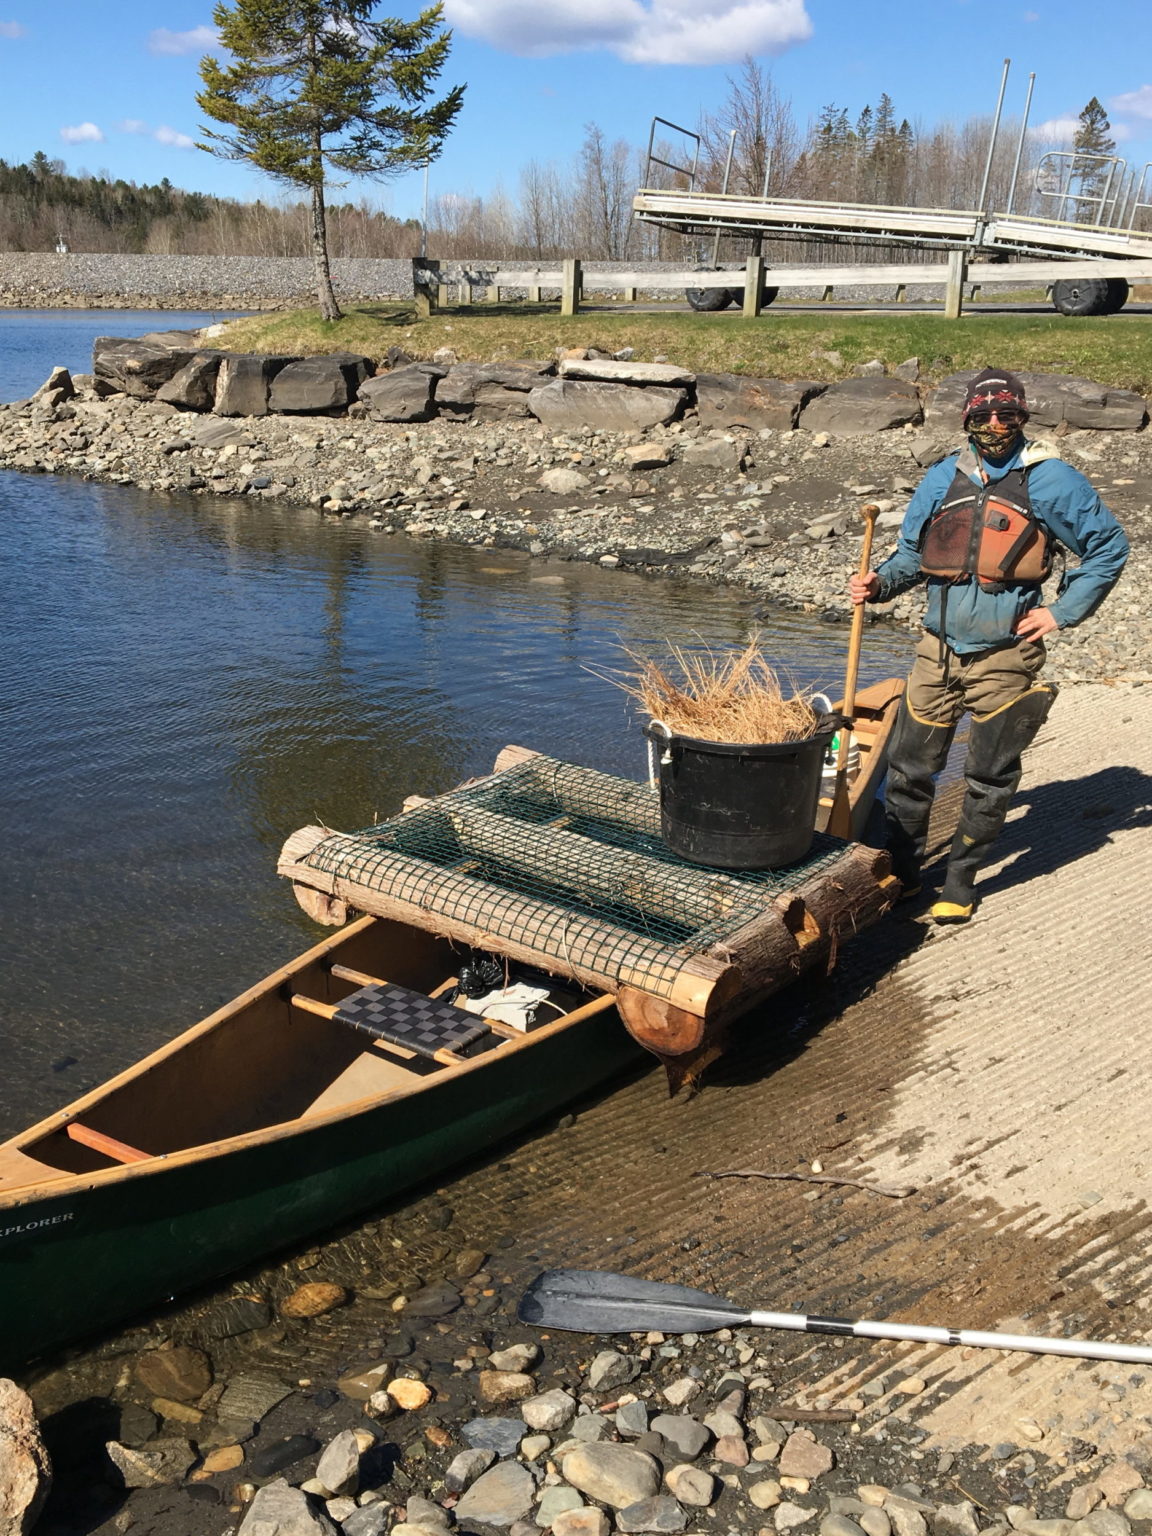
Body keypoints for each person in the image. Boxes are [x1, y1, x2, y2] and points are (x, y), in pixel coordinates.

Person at [849, 367, 1128, 924]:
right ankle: (904, 875)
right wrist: (879, 584)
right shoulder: (940, 479)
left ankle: (959, 883)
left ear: (1023, 416)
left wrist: (1061, 611)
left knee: (989, 773)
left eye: (1008, 413)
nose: (995, 422)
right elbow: (910, 554)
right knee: (908, 769)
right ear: (968, 418)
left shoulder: (1053, 479)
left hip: (1005, 652)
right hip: (937, 648)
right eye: (984, 413)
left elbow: (1107, 548)